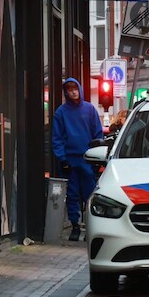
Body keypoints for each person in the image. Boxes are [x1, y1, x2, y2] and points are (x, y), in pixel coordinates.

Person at [51, 77, 104, 242]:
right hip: (71, 160)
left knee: (89, 195)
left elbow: (98, 135)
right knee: (72, 195)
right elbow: (57, 137)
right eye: (69, 90)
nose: (73, 92)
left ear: (79, 89)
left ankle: (90, 226)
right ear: (66, 92)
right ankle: (75, 225)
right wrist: (63, 159)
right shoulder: (61, 112)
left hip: (88, 159)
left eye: (75, 89)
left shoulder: (89, 110)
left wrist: (97, 158)